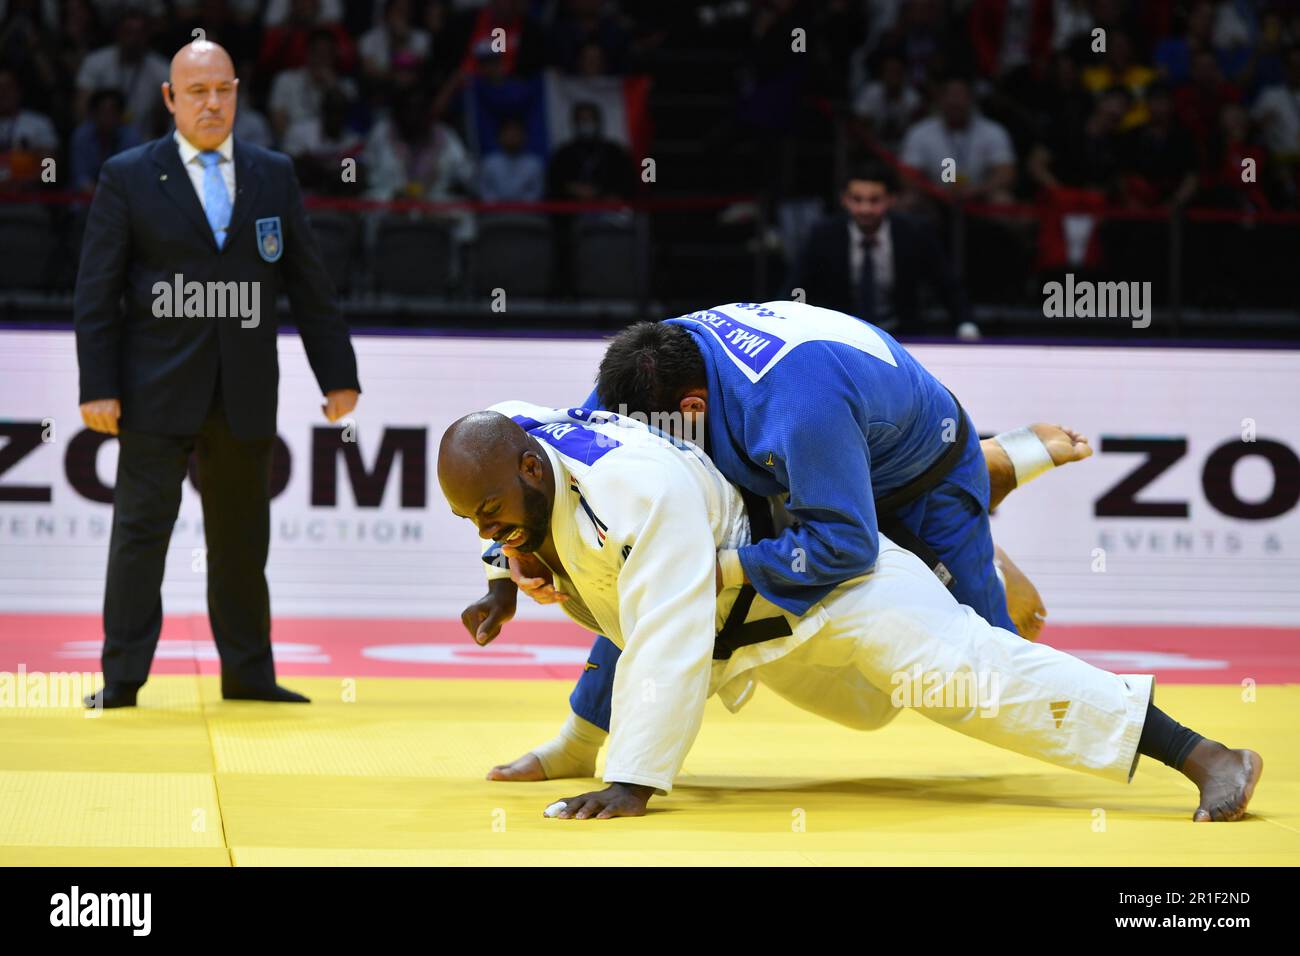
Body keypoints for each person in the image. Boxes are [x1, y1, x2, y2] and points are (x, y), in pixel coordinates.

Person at [438, 405, 1262, 822]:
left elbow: (662, 643)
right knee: (869, 710)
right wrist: (501, 583)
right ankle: (959, 508)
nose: (486, 528)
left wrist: (632, 780)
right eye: (472, 521)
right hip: (772, 640)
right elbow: (573, 574)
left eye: (493, 512)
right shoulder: (521, 452)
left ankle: (1206, 756)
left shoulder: (637, 496)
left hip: (836, 590)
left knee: (978, 680)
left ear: (530, 469)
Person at [472, 301, 1090, 779]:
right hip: (796, 461)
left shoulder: (794, 405)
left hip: (912, 475)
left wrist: (721, 569)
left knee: (998, 655)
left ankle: (990, 468)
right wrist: (509, 563)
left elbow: (848, 545)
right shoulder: (637, 378)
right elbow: (549, 470)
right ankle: (579, 742)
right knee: (642, 565)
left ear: (691, 406)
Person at [74, 39, 361, 709]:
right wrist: (97, 385)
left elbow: (309, 285)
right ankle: (120, 680)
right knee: (140, 535)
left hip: (245, 387)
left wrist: (337, 375)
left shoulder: (273, 173)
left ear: (237, 92)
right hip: (152, 389)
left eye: (222, 89)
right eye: (196, 91)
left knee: (241, 541)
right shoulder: (129, 174)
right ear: (170, 98)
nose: (211, 102)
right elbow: (97, 292)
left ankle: (249, 674)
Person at [786, 162, 973, 334]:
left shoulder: (915, 233)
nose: (865, 209)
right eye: (857, 200)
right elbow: (797, 287)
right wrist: (785, 324)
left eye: (874, 200)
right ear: (844, 199)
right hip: (840, 335)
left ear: (891, 200)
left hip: (902, 336)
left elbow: (947, 285)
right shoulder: (824, 235)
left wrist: (966, 325)